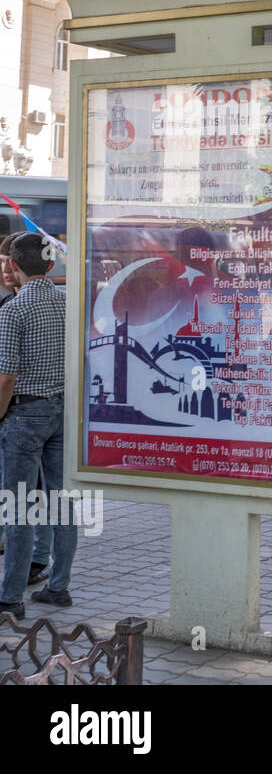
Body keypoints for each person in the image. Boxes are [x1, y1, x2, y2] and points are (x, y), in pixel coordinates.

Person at [0, 233, 73, 616]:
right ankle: (58, 587)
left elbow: (6, 377)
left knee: (18, 508)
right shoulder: (66, 303)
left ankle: (10, 597)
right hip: (63, 411)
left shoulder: (13, 310)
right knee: (62, 501)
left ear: (13, 265)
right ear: (50, 264)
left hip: (25, 416)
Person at [0, 233, 54, 585]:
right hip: (48, 410)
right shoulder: (56, 301)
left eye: (9, 261)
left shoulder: (15, 308)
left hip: (21, 410)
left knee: (21, 498)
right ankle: (46, 571)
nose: (5, 268)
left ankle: (15, 586)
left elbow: (7, 376)